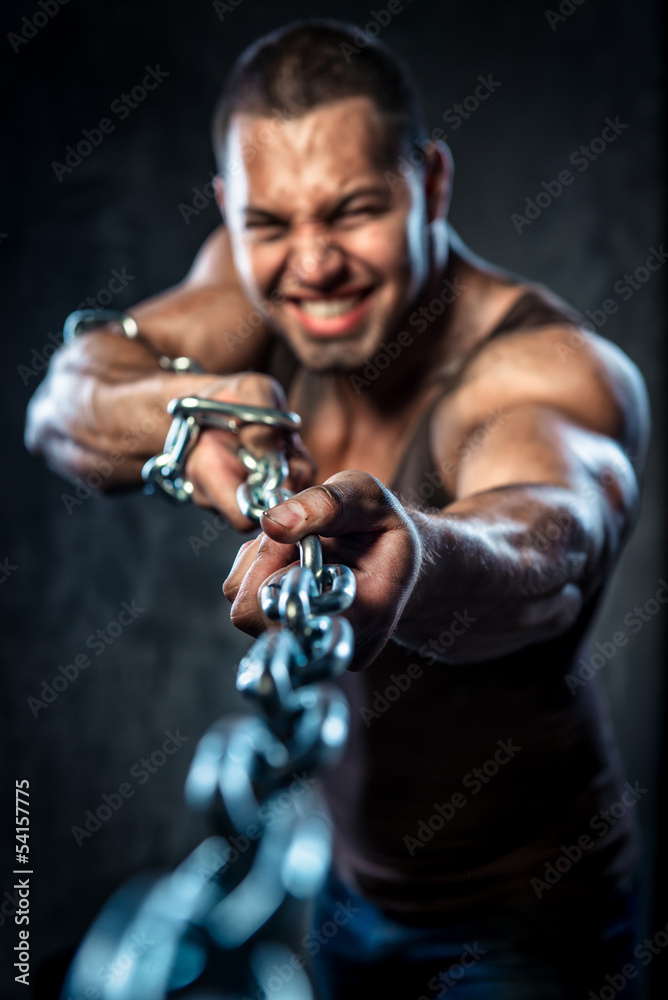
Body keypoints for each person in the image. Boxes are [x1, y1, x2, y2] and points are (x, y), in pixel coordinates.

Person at [25, 19, 650, 1000]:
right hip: (348, 896)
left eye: (353, 211)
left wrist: (424, 554)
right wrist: (187, 419)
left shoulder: (541, 368)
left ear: (429, 184)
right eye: (268, 224)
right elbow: (64, 403)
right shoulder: (249, 285)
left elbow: (551, 539)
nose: (311, 265)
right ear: (229, 209)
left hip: (527, 919)